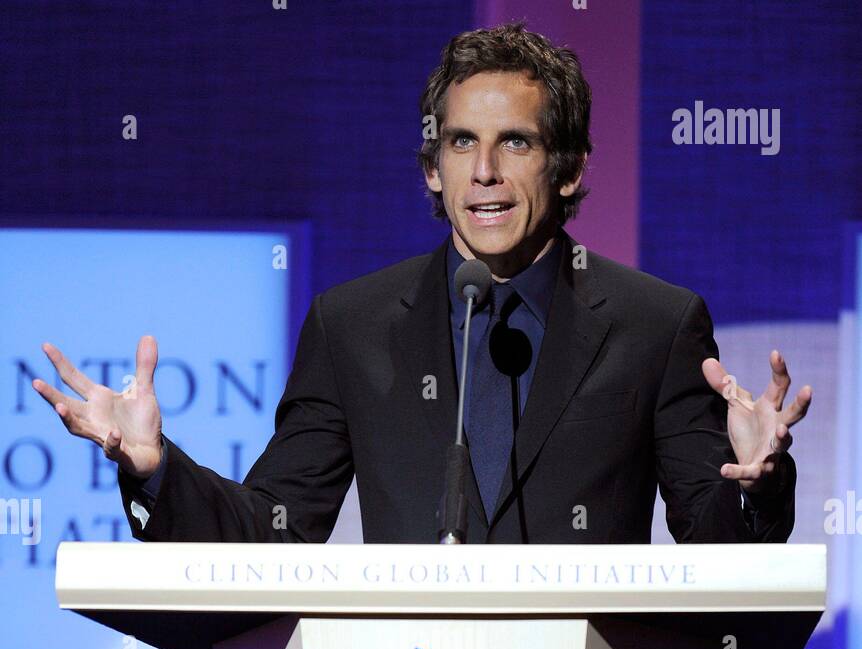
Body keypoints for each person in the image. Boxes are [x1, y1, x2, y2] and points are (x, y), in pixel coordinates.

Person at [31, 22, 811, 546]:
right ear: (433, 171)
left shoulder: (656, 325)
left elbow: (716, 542)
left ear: (569, 169)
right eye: (462, 143)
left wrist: (757, 484)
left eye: (517, 143)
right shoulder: (354, 325)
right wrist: (154, 464)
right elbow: (274, 525)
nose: (485, 173)